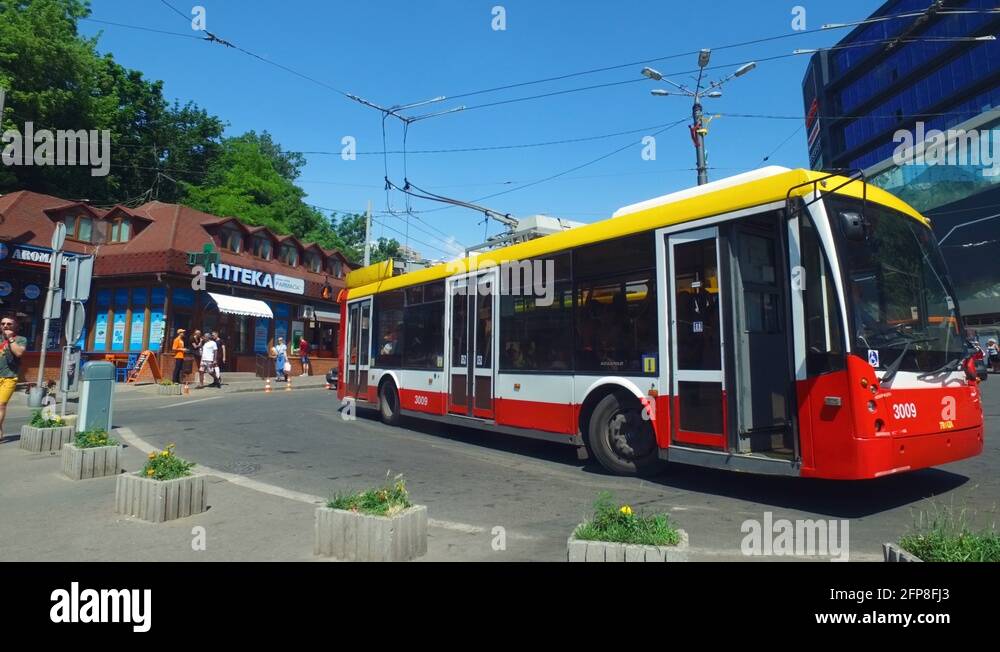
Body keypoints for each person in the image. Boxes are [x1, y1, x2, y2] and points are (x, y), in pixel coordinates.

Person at [0, 316, 27, 440]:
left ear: (15, 326)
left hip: (9, 377)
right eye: (3, 323)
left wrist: (10, 338)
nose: (5, 326)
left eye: (9, 324)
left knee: (1, 405)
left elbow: (19, 353)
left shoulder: (20, 339)